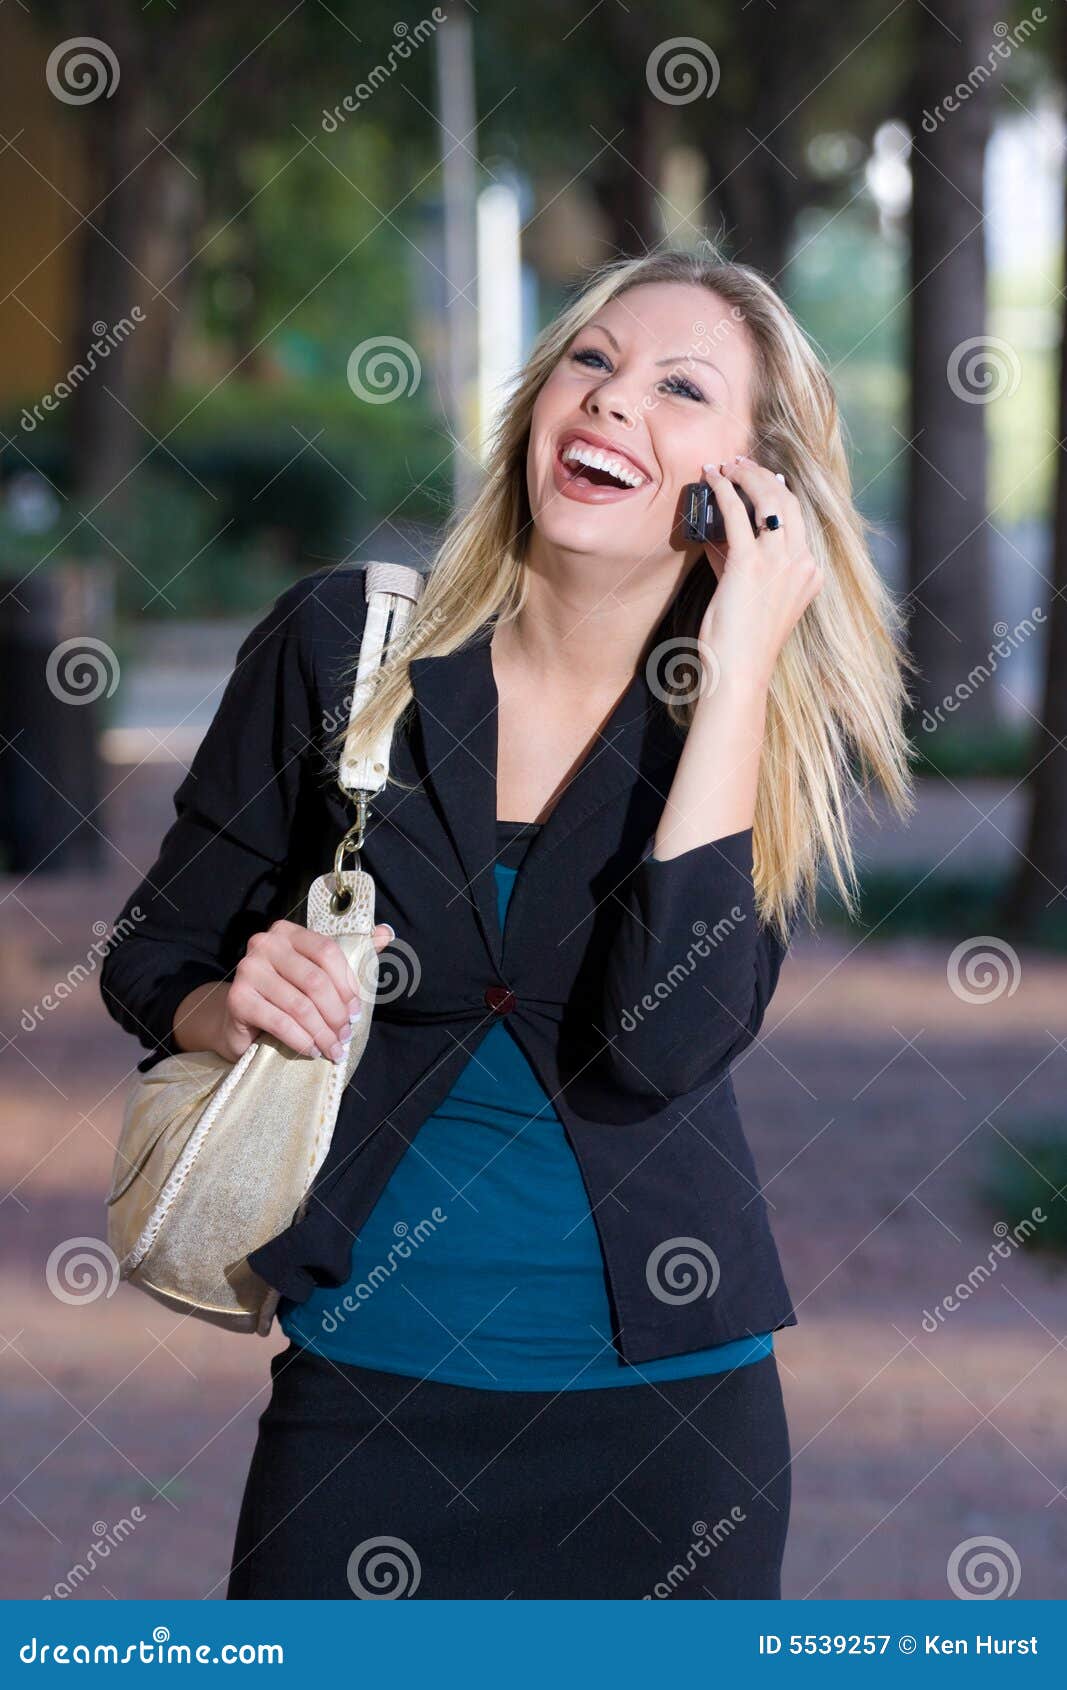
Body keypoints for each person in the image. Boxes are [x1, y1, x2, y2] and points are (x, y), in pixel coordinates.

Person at [100, 246, 912, 1600]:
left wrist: (737, 672)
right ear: (538, 402)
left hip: (669, 1433)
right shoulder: (342, 645)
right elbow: (152, 950)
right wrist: (227, 1001)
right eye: (589, 362)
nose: (610, 402)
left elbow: (665, 1042)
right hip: (365, 1385)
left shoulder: (746, 734)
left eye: (678, 386)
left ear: (749, 484)